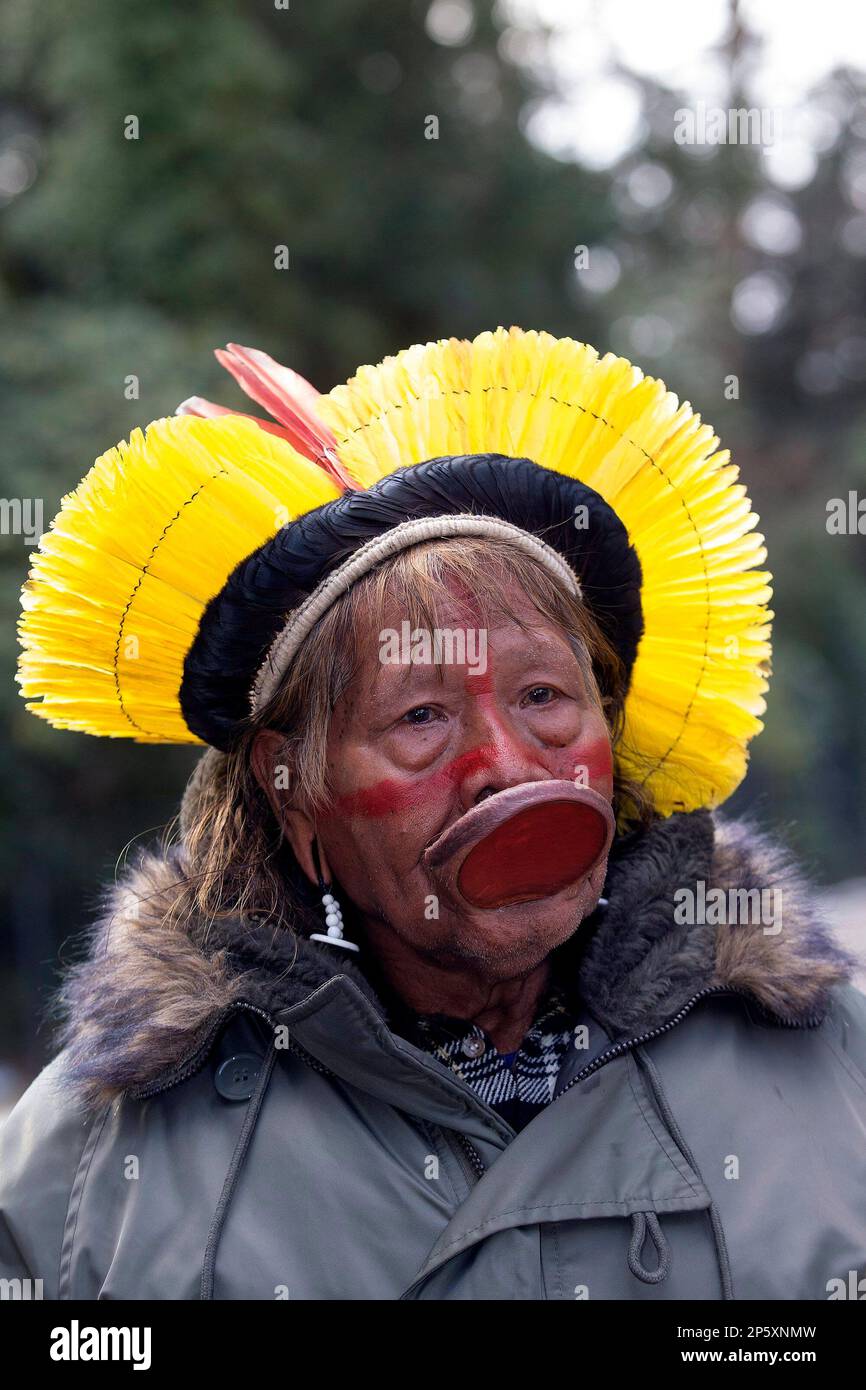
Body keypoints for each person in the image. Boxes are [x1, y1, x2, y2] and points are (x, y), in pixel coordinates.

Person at [2, 327, 864, 1301]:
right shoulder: (88, 1172)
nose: (503, 765)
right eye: (419, 715)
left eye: (543, 695)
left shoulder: (836, 1067)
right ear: (294, 794)